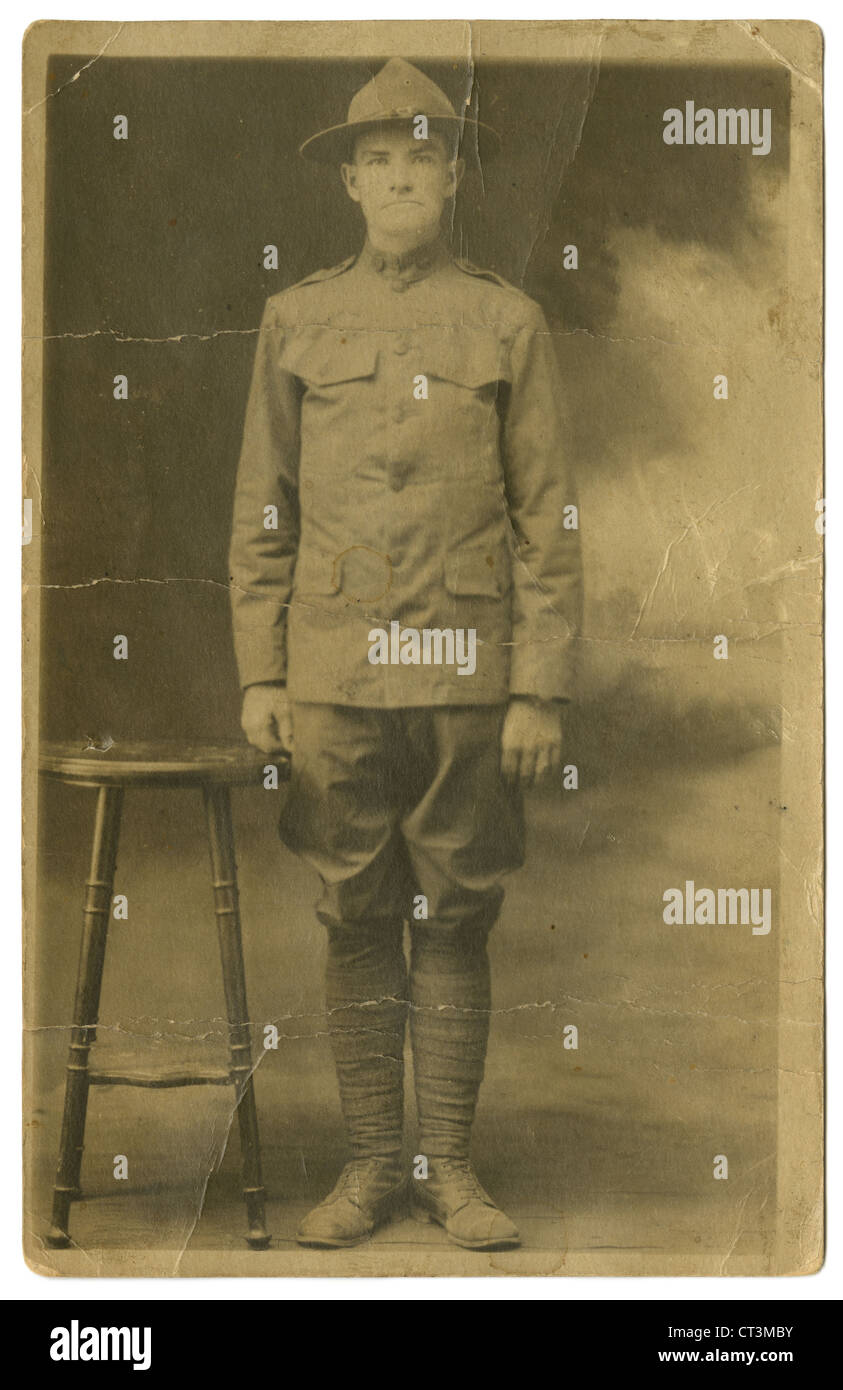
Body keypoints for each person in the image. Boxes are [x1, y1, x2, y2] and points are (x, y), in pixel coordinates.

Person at [228, 58, 582, 1250]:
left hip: (468, 673)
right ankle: (373, 1164)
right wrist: (260, 672)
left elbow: (548, 517)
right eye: (376, 160)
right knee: (353, 914)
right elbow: (262, 512)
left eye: (420, 158)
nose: (398, 177)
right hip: (332, 676)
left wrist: (539, 685)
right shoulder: (298, 318)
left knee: (459, 916)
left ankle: (455, 1171)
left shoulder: (506, 320)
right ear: (348, 181)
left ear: (452, 174)